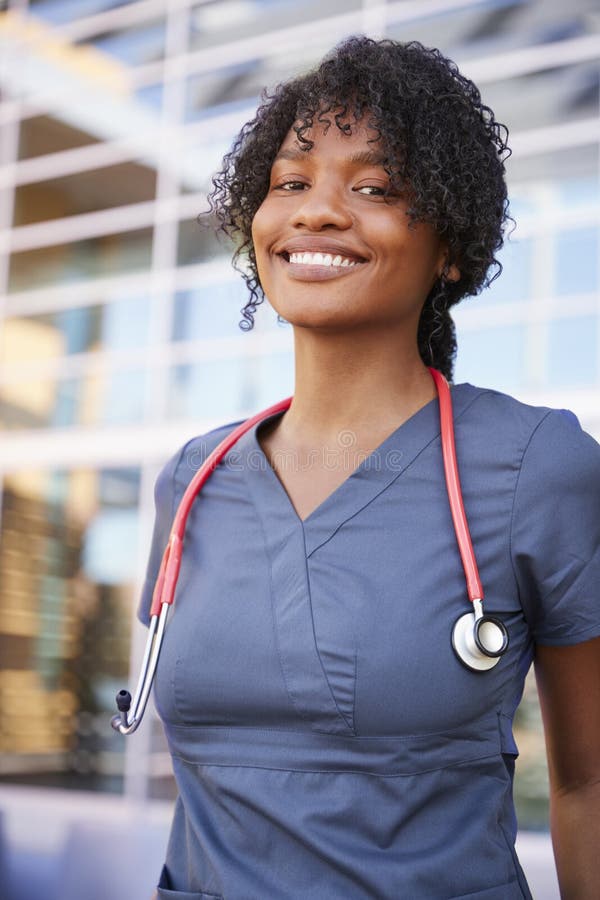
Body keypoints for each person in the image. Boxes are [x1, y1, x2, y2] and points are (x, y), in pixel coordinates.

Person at [139, 36, 600, 899]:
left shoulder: (537, 467)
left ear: (450, 248)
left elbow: (588, 782)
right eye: (291, 181)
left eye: (375, 187)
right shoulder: (193, 479)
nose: (316, 211)